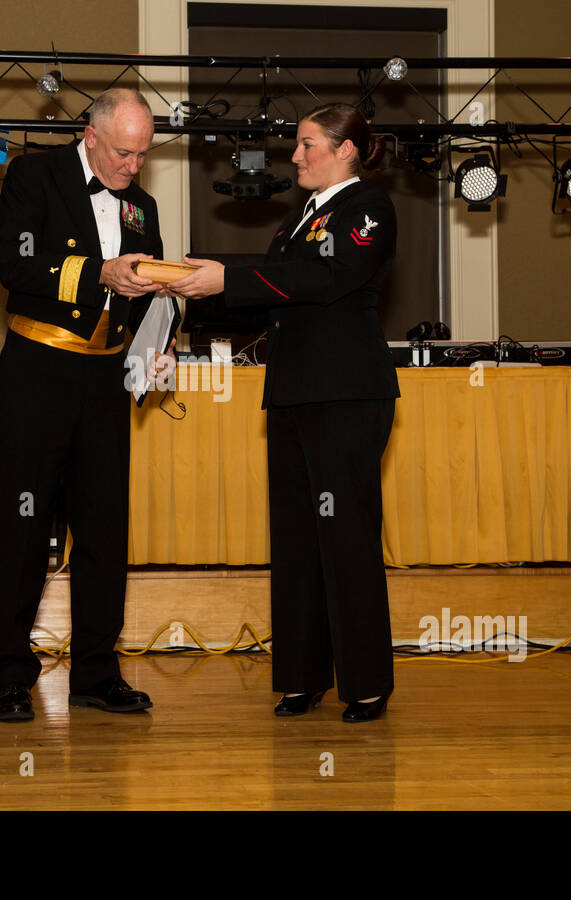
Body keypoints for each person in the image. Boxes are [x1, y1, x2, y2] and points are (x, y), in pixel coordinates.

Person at [168, 103, 399, 722]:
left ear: (345, 149)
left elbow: (325, 279)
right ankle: (301, 676)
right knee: (296, 538)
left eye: (305, 145)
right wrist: (180, 286)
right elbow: (272, 288)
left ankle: (366, 683)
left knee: (345, 536)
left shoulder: (367, 208)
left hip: (347, 392)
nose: (294, 157)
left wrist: (227, 277)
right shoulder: (298, 219)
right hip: (294, 391)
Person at [0, 88, 166, 722]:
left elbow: (148, 296)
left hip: (106, 381)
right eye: (123, 152)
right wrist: (100, 274)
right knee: (26, 526)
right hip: (40, 370)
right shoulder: (33, 174)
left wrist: (156, 348)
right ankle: (10, 675)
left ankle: (95, 671)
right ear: (90, 136)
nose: (132, 166)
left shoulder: (141, 206)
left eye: (143, 154)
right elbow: (17, 262)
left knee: (104, 529)